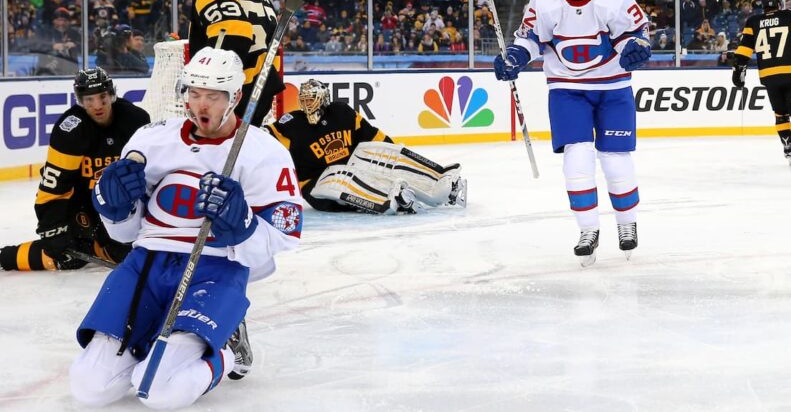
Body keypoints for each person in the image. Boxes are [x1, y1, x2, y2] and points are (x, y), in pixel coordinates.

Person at [68, 47, 303, 409]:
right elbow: (126, 234)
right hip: (146, 265)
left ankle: (222, 349)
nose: (201, 106)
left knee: (158, 392)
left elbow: (280, 241)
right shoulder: (152, 138)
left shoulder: (264, 152)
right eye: (194, 94)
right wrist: (116, 208)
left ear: (236, 97)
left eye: (212, 96)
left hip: (214, 270)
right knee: (89, 388)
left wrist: (243, 227)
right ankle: (155, 340)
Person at [493, 0, 651, 267]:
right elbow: (531, 39)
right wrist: (516, 57)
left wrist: (638, 48)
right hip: (566, 87)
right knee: (577, 160)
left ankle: (626, 224)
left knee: (615, 160)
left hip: (612, 87)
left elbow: (633, 35)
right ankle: (587, 230)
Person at [1, 68, 150, 271]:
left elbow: (150, 172)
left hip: (121, 205)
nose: (97, 106)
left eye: (102, 97)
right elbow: (53, 186)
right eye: (89, 100)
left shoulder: (135, 119)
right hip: (82, 206)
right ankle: (5, 257)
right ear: (80, 100)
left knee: (140, 248)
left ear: (111, 94)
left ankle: (94, 245)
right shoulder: (70, 130)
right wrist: (53, 229)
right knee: (73, 255)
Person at [264, 79, 466, 214]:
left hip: (350, 171)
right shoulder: (291, 123)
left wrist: (397, 157)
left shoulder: (342, 112)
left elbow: (375, 137)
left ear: (323, 98)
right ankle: (390, 201)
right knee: (338, 175)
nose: (308, 105)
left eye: (312, 99)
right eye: (305, 100)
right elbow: (263, 138)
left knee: (372, 152)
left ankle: (438, 176)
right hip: (315, 186)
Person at [189, 0, 284, 126]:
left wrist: (214, 90)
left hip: (233, 92)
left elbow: (233, 33)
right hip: (262, 87)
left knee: (218, 153)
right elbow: (274, 42)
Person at [732, 0, 791, 167]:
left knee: (780, 113)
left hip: (768, 75)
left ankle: (787, 146)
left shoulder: (753, 21)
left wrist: (738, 70)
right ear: (779, 2)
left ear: (763, 5)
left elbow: (743, 51)